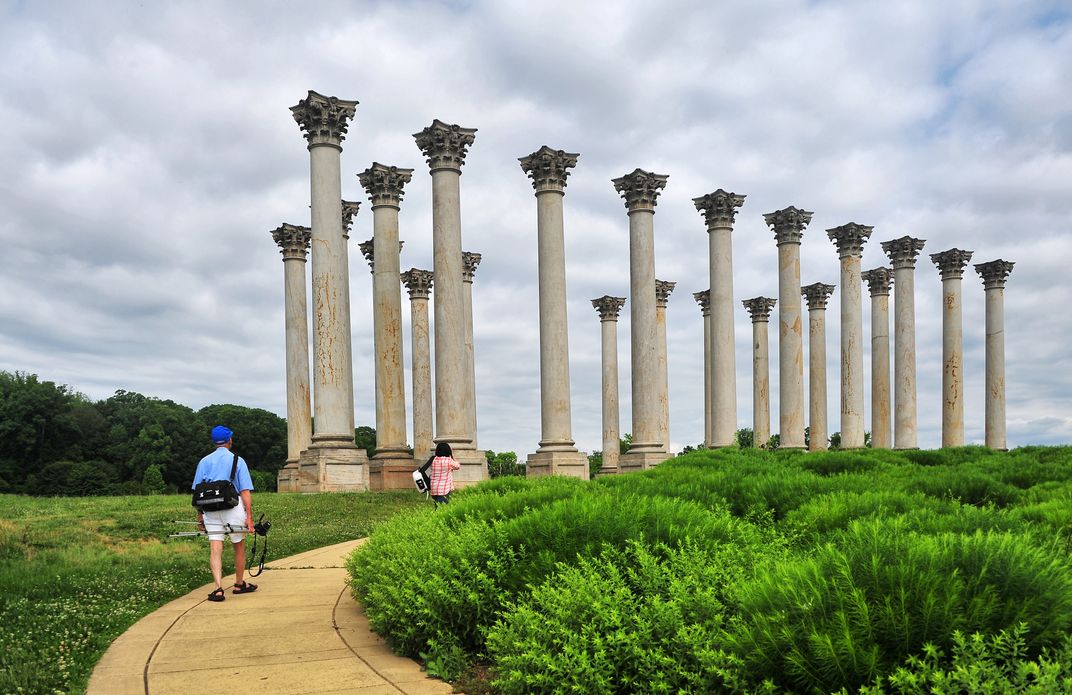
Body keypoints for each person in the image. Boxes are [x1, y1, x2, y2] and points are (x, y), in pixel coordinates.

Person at [191, 425, 257, 602]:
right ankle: (239, 584)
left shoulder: (204, 461)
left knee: (215, 547)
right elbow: (245, 491)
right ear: (229, 440)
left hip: (210, 510)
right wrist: (249, 517)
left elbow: (197, 491)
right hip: (232, 507)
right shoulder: (238, 460)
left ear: (214, 442)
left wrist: (200, 516)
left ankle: (218, 588)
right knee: (239, 546)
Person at [428, 441, 461, 506]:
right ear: (448, 451)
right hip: (444, 489)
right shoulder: (449, 460)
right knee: (443, 508)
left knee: (437, 506)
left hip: (434, 488)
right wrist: (452, 456)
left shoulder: (433, 459)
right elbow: (457, 466)